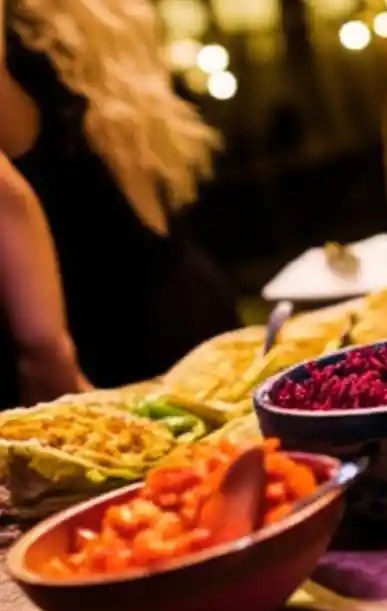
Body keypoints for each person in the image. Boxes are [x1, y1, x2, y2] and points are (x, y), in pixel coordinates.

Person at [0, 0, 240, 408]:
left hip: (114, 359)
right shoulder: (90, 21)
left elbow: (9, 199)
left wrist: (46, 355)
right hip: (183, 315)